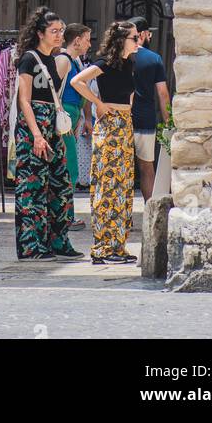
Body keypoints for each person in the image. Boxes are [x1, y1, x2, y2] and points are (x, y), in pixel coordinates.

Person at [12, 7, 83, 262]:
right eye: (54, 31)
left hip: (51, 124)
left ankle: (58, 240)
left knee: (60, 186)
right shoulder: (28, 59)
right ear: (40, 33)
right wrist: (36, 135)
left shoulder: (55, 59)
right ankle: (31, 245)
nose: (59, 35)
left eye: (61, 31)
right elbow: (25, 100)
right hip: (34, 128)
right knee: (33, 189)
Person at [71, 20, 140, 265]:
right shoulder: (105, 63)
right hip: (110, 125)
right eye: (134, 37)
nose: (138, 41)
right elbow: (77, 81)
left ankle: (118, 245)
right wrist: (98, 104)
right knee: (108, 184)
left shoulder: (130, 64)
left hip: (124, 125)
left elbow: (130, 92)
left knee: (122, 185)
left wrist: (127, 109)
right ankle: (103, 246)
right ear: (122, 40)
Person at [54, 23, 92, 228]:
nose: (89, 44)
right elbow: (54, 92)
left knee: (71, 166)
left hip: (71, 116)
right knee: (68, 166)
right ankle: (64, 215)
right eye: (87, 39)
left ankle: (66, 213)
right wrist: (61, 121)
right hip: (65, 117)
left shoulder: (75, 61)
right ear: (76, 40)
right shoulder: (64, 60)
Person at [129, 16, 169, 202]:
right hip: (145, 118)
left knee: (121, 167)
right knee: (146, 167)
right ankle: (150, 210)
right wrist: (168, 121)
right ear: (143, 34)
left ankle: (122, 215)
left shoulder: (117, 56)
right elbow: (162, 93)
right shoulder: (154, 59)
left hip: (121, 118)